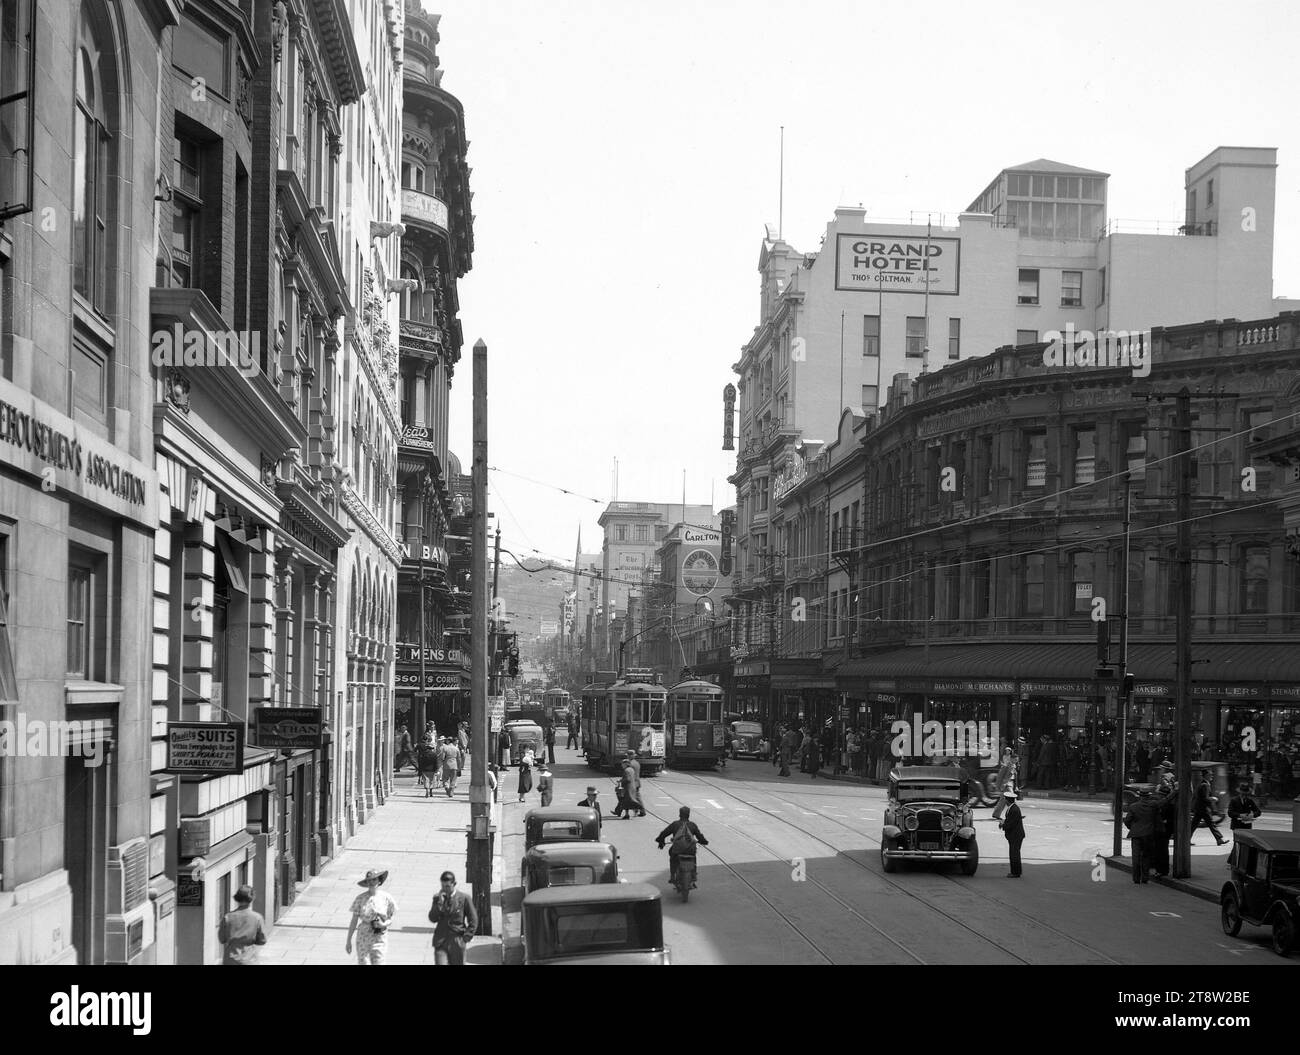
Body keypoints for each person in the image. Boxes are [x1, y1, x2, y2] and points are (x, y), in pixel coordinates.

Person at [346, 868, 397, 965]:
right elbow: (354, 920)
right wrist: (348, 940)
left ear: (379, 881)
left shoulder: (386, 898)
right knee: (364, 962)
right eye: (369, 880)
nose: (371, 882)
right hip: (363, 937)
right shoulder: (360, 898)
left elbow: (391, 918)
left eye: (374, 879)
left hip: (379, 937)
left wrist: (383, 924)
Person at [428, 871, 478, 966]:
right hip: (441, 940)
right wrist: (439, 904)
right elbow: (432, 918)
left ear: (454, 884)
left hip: (457, 940)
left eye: (447, 886)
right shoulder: (437, 899)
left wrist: (466, 937)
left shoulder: (464, 898)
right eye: (442, 886)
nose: (444, 889)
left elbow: (473, 919)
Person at [655, 806, 710, 886]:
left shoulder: (675, 824)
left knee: (672, 857)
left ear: (679, 814)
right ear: (689, 815)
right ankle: (693, 875)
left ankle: (672, 875)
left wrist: (660, 841)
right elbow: (700, 836)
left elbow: (664, 833)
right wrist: (704, 841)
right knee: (694, 857)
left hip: (677, 850)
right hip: (690, 850)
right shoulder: (693, 825)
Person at [218, 884, 267, 964]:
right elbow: (262, 940)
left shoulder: (227, 917)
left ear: (237, 898)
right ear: (252, 899)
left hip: (231, 959)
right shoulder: (257, 918)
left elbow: (222, 939)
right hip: (249, 959)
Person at [1124, 789, 1157, 883]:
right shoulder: (1152, 806)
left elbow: (1127, 821)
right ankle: (1145, 878)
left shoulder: (1134, 806)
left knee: (1136, 857)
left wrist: (1133, 828)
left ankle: (1136, 878)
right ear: (1148, 796)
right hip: (1148, 834)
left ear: (1140, 796)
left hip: (1136, 834)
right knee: (1146, 856)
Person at [1191, 771, 1226, 846]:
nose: (1212, 776)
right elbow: (1205, 798)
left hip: (1199, 808)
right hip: (1204, 808)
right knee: (1211, 824)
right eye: (1210, 775)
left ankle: (1186, 840)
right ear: (1206, 775)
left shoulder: (1203, 784)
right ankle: (1219, 839)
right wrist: (1213, 798)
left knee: (1194, 825)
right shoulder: (1205, 785)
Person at [999, 791, 1025, 878]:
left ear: (1007, 800)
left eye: (1005, 799)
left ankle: (1015, 873)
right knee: (1014, 853)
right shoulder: (1012, 808)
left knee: (1014, 854)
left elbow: (1011, 824)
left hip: (1016, 835)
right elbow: (1010, 820)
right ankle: (1016, 871)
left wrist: (1003, 824)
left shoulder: (1014, 809)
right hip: (1014, 835)